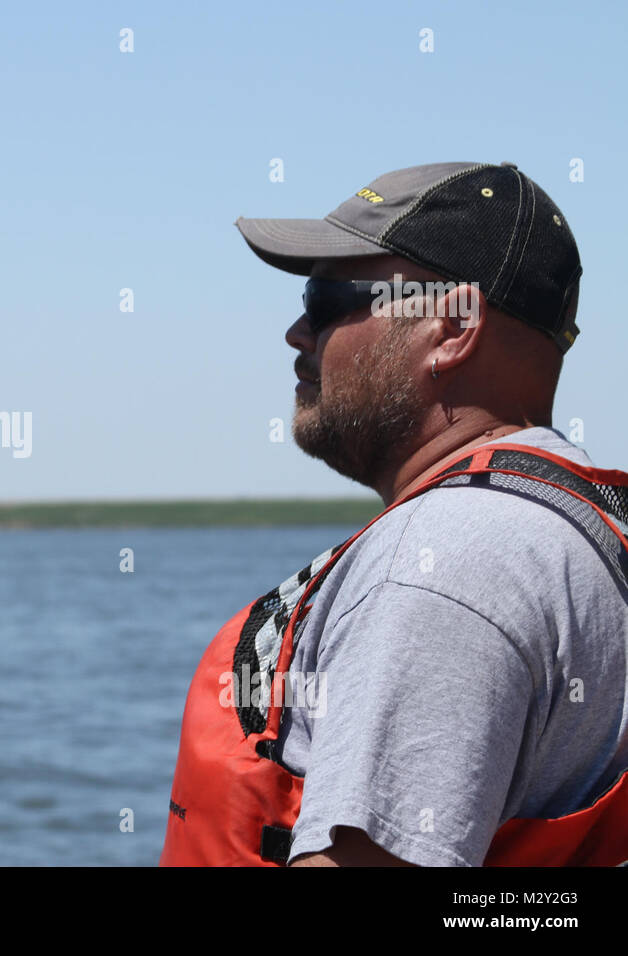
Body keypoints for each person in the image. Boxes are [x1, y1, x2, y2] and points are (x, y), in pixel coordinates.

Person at [160, 161, 628, 866]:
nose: (297, 333)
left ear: (452, 327)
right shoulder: (571, 528)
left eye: (326, 299)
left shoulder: (444, 564)